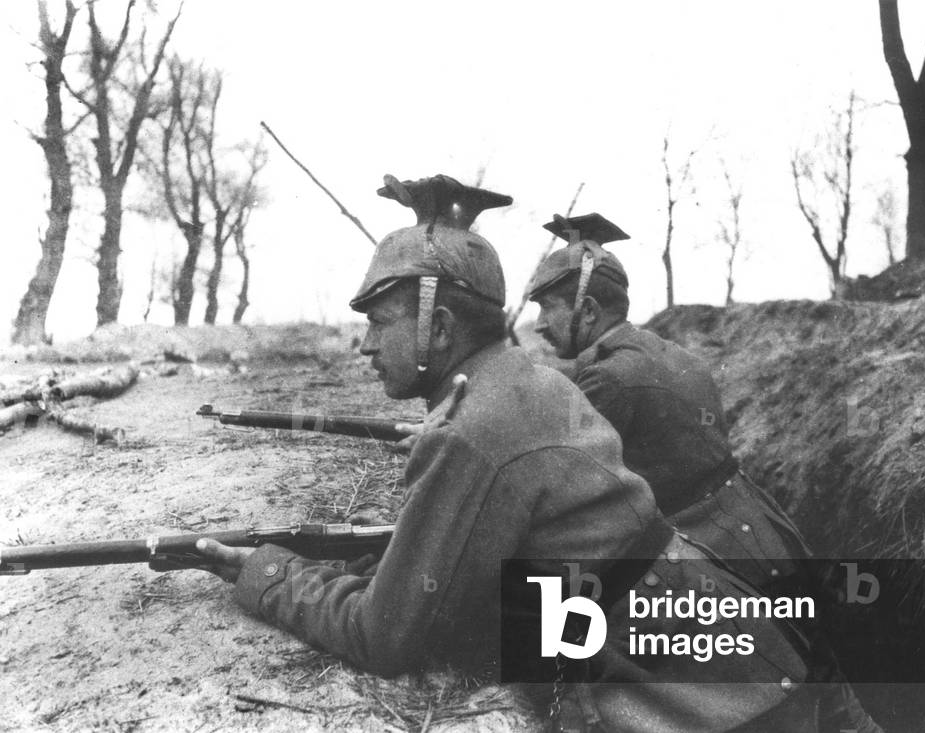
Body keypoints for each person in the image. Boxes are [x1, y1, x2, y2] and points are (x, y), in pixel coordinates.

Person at [195, 175, 855, 732]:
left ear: (441, 327)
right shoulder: (518, 379)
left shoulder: (471, 424)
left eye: (378, 321)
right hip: (726, 643)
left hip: (708, 697)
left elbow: (383, 636)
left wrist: (270, 574)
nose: (364, 345)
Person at [527, 213, 812, 587]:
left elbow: (559, 490)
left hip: (708, 563)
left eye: (547, 307)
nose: (539, 324)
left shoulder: (607, 378)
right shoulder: (675, 356)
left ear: (591, 310)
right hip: (763, 535)